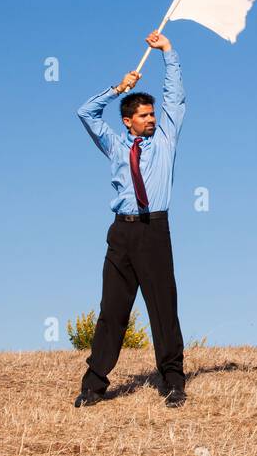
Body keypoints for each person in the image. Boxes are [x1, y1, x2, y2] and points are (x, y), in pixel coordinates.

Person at [73, 31, 187, 409]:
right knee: (112, 311)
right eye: (144, 115)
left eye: (153, 114)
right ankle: (93, 386)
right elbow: (85, 112)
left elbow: (175, 97)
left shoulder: (166, 138)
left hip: (155, 230)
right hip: (122, 232)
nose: (152, 119)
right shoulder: (114, 143)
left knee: (163, 307)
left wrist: (168, 52)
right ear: (128, 122)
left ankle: (173, 382)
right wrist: (116, 87)